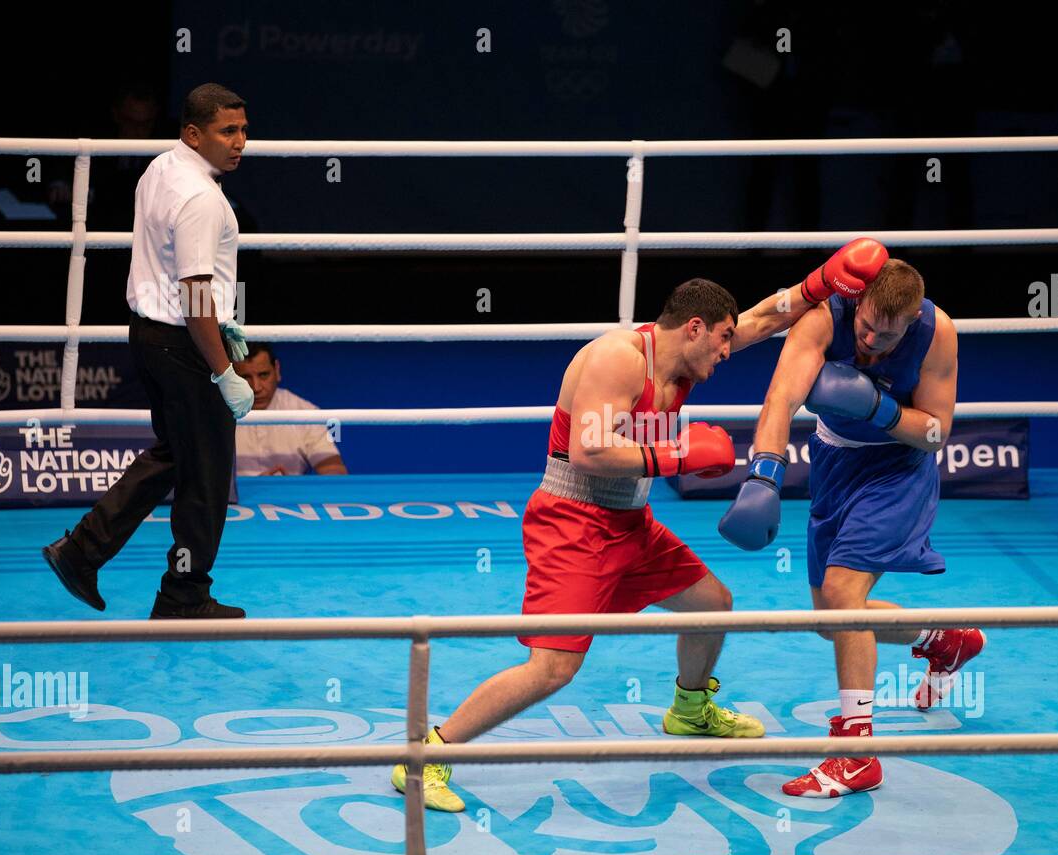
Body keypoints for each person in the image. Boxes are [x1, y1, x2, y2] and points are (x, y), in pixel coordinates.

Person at [393, 278, 808, 812]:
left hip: (632, 522)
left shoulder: (685, 357)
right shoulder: (619, 359)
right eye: (723, 339)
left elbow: (766, 318)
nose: (730, 351)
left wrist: (827, 281)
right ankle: (423, 758)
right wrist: (679, 456)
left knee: (713, 606)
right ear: (694, 328)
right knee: (552, 669)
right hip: (574, 523)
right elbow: (589, 451)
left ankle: (689, 707)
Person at [720, 240, 986, 798]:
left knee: (844, 594)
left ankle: (856, 753)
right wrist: (764, 474)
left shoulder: (938, 333)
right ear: (858, 302)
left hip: (898, 470)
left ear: (910, 319)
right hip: (834, 461)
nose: (870, 342)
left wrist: (879, 408)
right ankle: (945, 641)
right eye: (866, 328)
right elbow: (779, 402)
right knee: (831, 619)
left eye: (887, 336)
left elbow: (937, 432)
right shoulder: (823, 317)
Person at [42, 83, 255, 620]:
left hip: (151, 337)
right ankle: (182, 596)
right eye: (227, 131)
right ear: (193, 133)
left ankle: (83, 551)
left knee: (176, 455)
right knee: (205, 479)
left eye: (244, 130)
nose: (240, 142)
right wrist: (225, 368)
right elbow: (195, 293)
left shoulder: (160, 168)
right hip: (185, 346)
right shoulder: (202, 198)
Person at [234, 343, 347, 476]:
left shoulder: (306, 413)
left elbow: (334, 470)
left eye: (263, 375)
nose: (256, 388)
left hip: (289, 496)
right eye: (245, 378)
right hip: (232, 496)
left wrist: (291, 489)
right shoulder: (215, 415)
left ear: (277, 370)